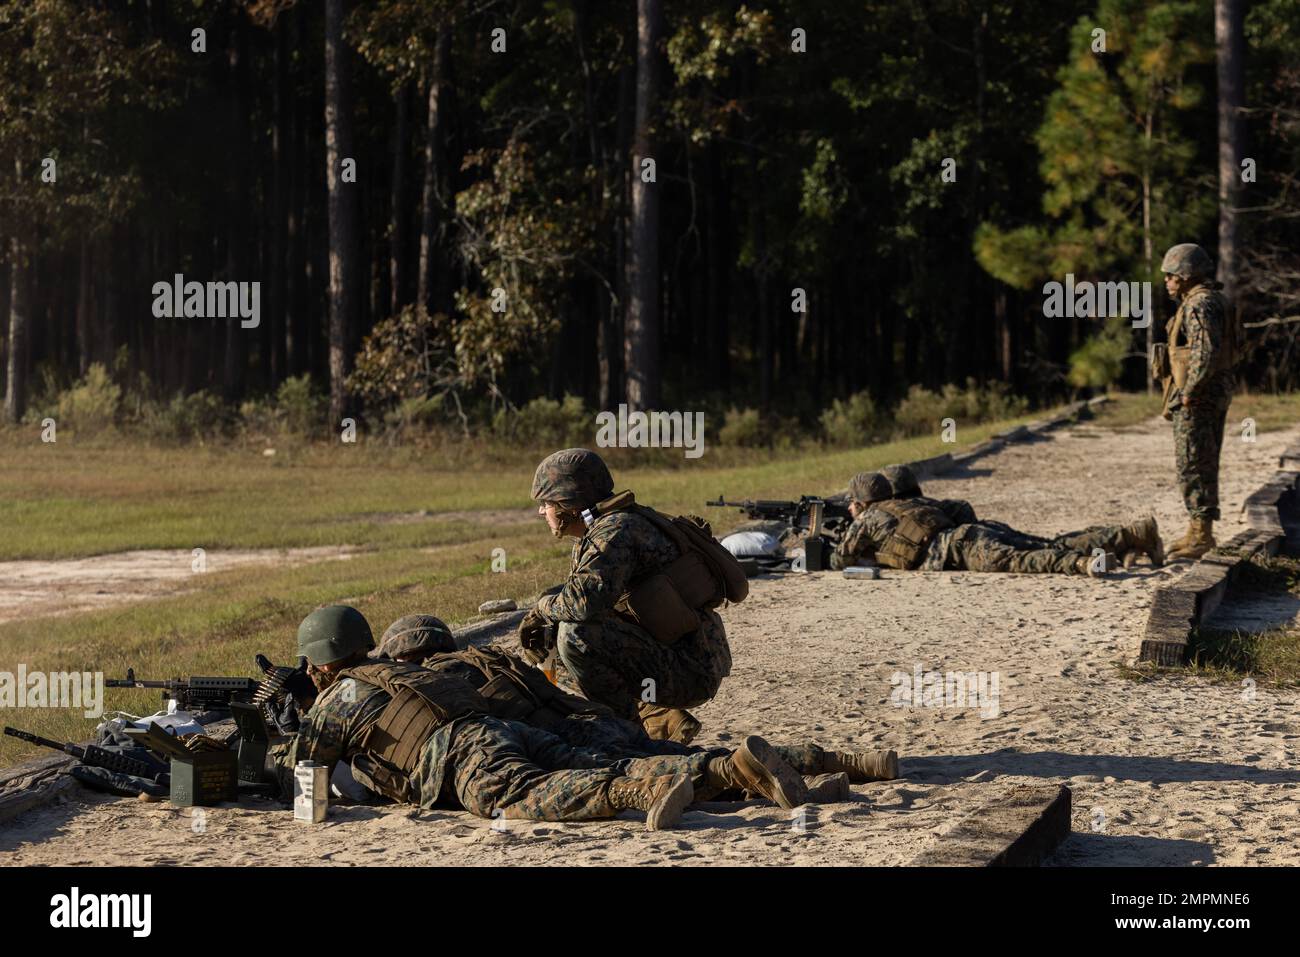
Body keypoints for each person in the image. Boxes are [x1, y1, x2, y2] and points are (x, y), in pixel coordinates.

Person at [268, 605, 811, 830]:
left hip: (464, 752)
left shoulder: (338, 697)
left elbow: (299, 770)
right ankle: (732, 771)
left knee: (522, 797)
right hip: (505, 730)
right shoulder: (399, 673)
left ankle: (641, 795)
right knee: (588, 764)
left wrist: (285, 724)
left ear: (316, 663)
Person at [372, 617, 900, 798]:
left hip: (556, 742)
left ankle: (741, 774)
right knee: (662, 755)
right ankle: (834, 760)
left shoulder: (430, 681)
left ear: (406, 658)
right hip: (590, 718)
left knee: (657, 770)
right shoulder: (491, 656)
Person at [522, 448, 734, 745]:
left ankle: (630, 738)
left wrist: (542, 607)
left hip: (691, 669)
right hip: (677, 658)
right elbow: (586, 595)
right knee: (550, 634)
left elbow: (583, 605)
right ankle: (656, 717)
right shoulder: (606, 526)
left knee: (575, 634)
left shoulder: (614, 531)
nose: (542, 512)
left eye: (546, 503)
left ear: (568, 503)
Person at [831, 470, 1163, 575]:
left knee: (1021, 561)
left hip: (959, 548)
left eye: (852, 504)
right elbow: (959, 507)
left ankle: (1083, 565)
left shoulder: (870, 518)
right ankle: (1129, 535)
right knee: (1048, 543)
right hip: (971, 532)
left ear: (861, 503)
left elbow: (838, 561)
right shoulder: (907, 503)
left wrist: (849, 530)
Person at [1154, 243, 1237, 560]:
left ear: (1185, 276)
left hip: (1199, 396)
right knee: (1203, 459)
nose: (1167, 281)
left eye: (1171, 276)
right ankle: (1197, 530)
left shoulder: (1198, 305)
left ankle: (1201, 535)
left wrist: (1190, 390)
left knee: (1192, 462)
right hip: (1214, 391)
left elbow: (1205, 351)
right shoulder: (1213, 300)